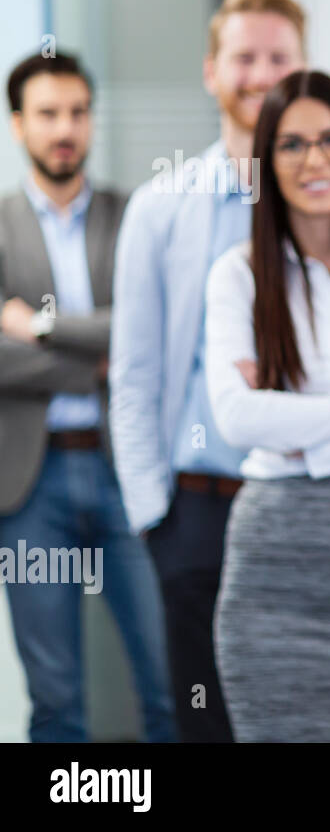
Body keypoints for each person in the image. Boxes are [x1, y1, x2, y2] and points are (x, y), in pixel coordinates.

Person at [109, 0, 307, 742]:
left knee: (301, 713)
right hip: (195, 509)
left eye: (278, 58)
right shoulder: (161, 208)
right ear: (210, 71)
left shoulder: (328, 203)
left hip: (301, 501)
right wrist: (151, 514)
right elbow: (135, 376)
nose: (261, 74)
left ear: (303, 68)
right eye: (244, 57)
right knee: (207, 724)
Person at [0, 51, 173, 742]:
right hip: (27, 486)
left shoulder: (133, 215)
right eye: (47, 114)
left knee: (169, 683)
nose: (64, 128)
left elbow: (143, 329)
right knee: (56, 700)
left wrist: (39, 328)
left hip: (124, 469)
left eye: (76, 112)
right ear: (19, 125)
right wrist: (99, 360)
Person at [205, 70, 330, 741]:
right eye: (292, 144)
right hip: (271, 574)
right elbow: (236, 418)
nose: (315, 160)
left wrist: (299, 422)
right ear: (266, 161)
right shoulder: (240, 273)